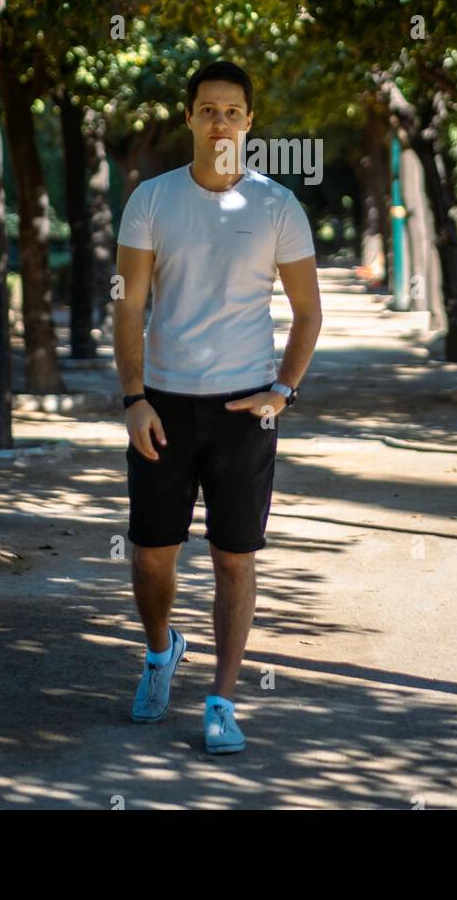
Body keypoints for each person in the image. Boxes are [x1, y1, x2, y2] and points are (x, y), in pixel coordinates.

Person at [114, 59, 322, 754]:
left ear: (250, 120)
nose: (220, 121)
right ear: (190, 117)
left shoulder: (277, 206)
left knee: (235, 559)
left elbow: (307, 312)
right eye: (208, 109)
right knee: (151, 556)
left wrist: (283, 391)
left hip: (243, 410)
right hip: (164, 406)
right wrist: (134, 398)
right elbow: (131, 306)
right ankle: (158, 652)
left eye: (232, 110)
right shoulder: (152, 200)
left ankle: (223, 700)